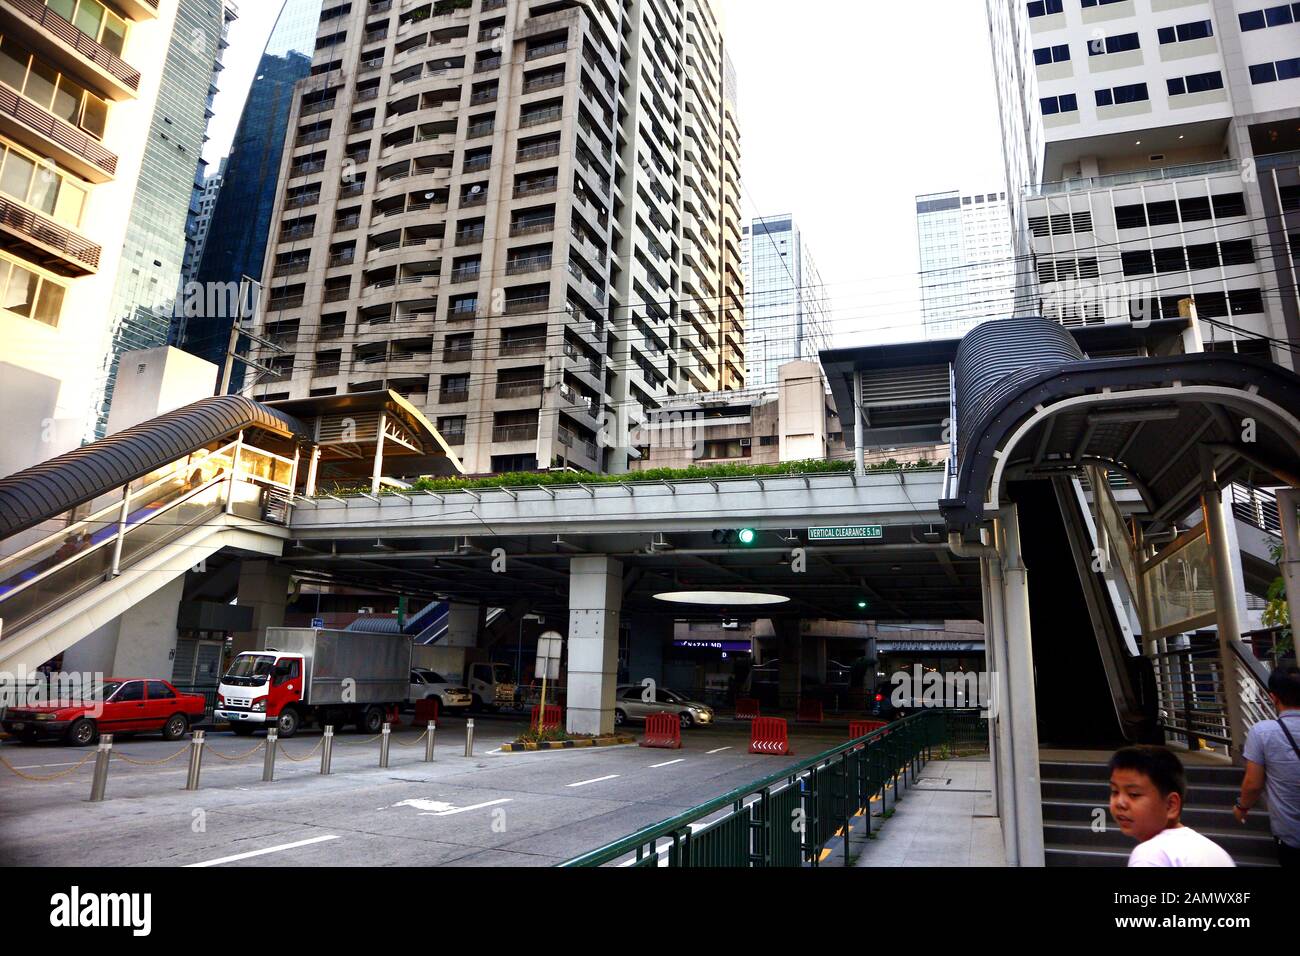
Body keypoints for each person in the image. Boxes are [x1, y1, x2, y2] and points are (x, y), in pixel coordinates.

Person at [1109, 744, 1235, 867]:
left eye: (1134, 794)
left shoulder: (1151, 855)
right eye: (1115, 791)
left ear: (1170, 805)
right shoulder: (1213, 851)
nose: (1120, 803)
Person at [1235, 665, 1300, 867]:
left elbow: (1253, 784)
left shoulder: (1262, 732)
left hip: (1291, 836)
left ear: (1273, 697)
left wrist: (1241, 807)